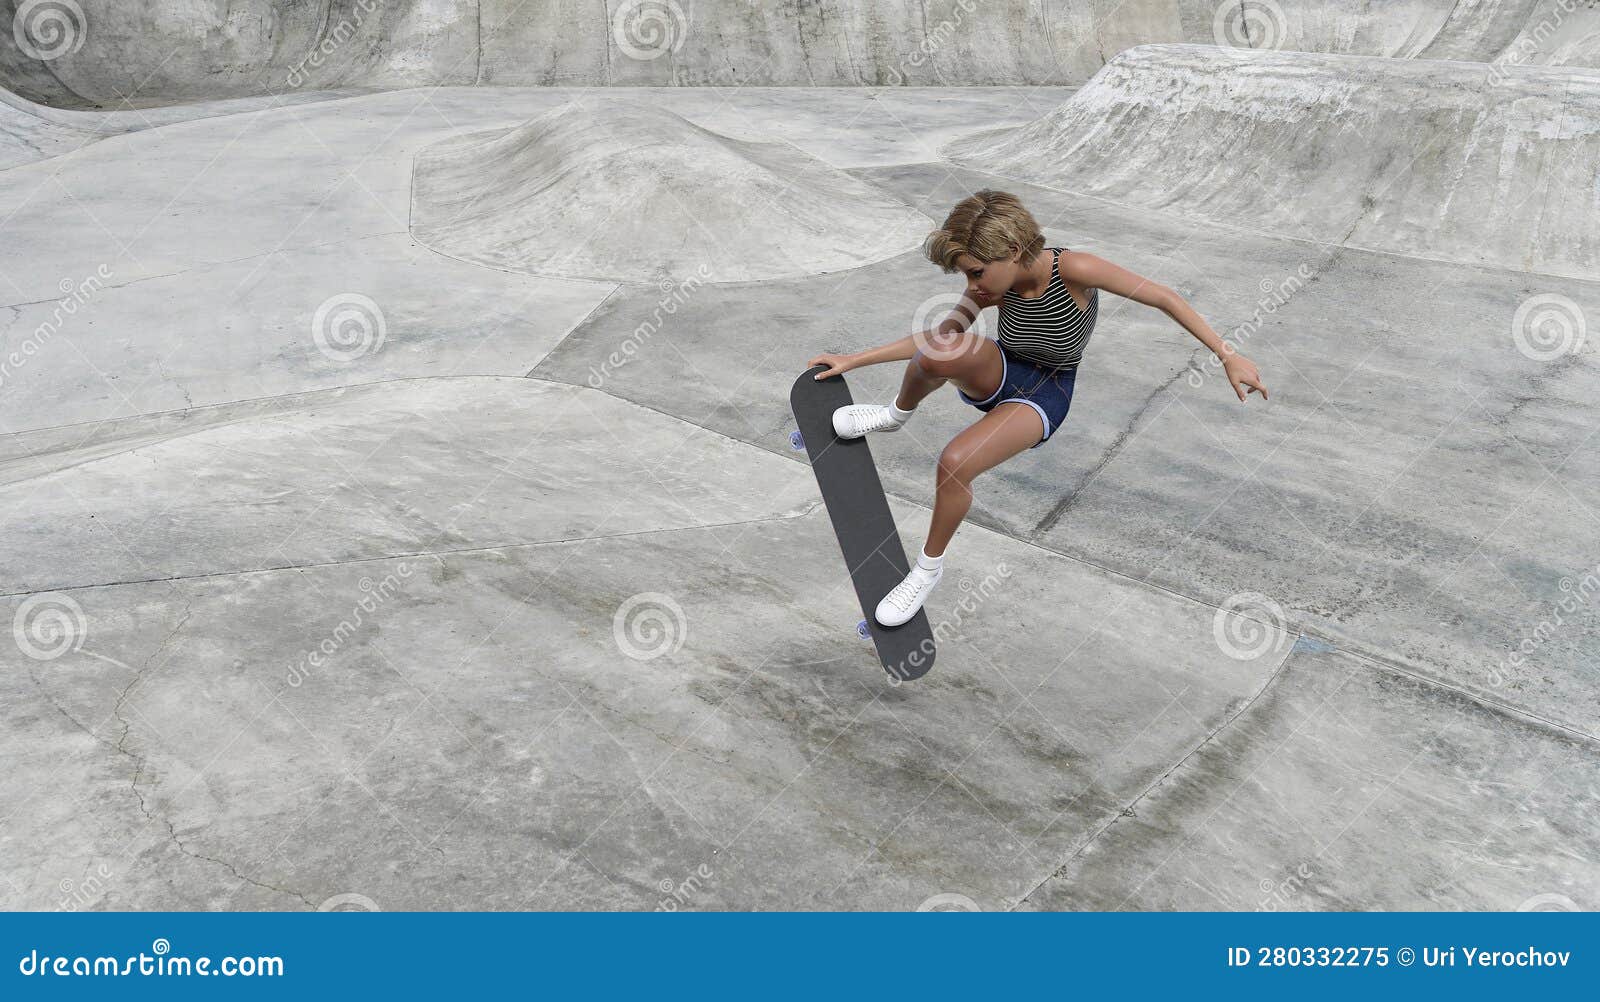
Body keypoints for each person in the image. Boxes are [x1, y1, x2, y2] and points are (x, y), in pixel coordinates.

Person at [806, 189, 1268, 627]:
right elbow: (939, 338)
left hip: (1046, 393)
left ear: (1013, 251)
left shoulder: (1075, 270)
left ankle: (926, 572)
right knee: (941, 350)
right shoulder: (992, 284)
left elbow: (1163, 296)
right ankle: (893, 415)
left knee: (953, 464)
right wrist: (857, 358)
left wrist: (1228, 355)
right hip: (1002, 369)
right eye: (966, 275)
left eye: (977, 273)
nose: (972, 286)